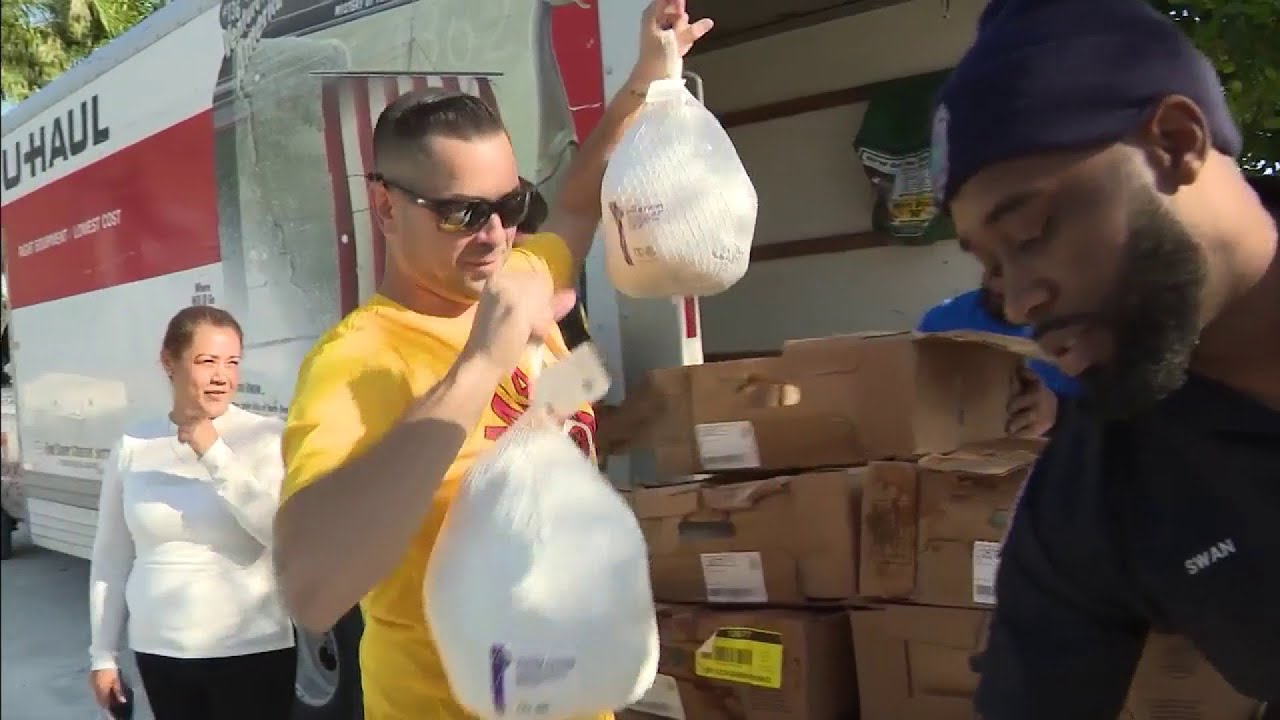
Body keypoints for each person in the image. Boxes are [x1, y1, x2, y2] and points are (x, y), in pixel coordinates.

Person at [271, 2, 713, 719]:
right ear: (385, 208)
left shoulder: (518, 277)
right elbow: (310, 588)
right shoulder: (358, 360)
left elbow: (575, 200)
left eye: (510, 204)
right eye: (462, 214)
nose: (497, 234)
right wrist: (480, 363)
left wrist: (645, 81)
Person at [928, 0, 1279, 717]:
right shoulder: (1099, 494)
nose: (1021, 301)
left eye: (1029, 231)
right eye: (991, 269)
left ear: (1176, 141)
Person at [88, 305, 295, 720]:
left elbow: (282, 536)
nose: (223, 376)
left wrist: (212, 451)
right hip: (161, 652)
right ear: (169, 362)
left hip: (252, 650)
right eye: (207, 361)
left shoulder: (266, 436)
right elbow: (111, 558)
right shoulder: (133, 443)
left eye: (232, 362)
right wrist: (103, 655)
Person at [918, 272, 1077, 438]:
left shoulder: (1086, 327)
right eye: (995, 267)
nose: (997, 284)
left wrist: (1058, 412)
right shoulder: (943, 323)